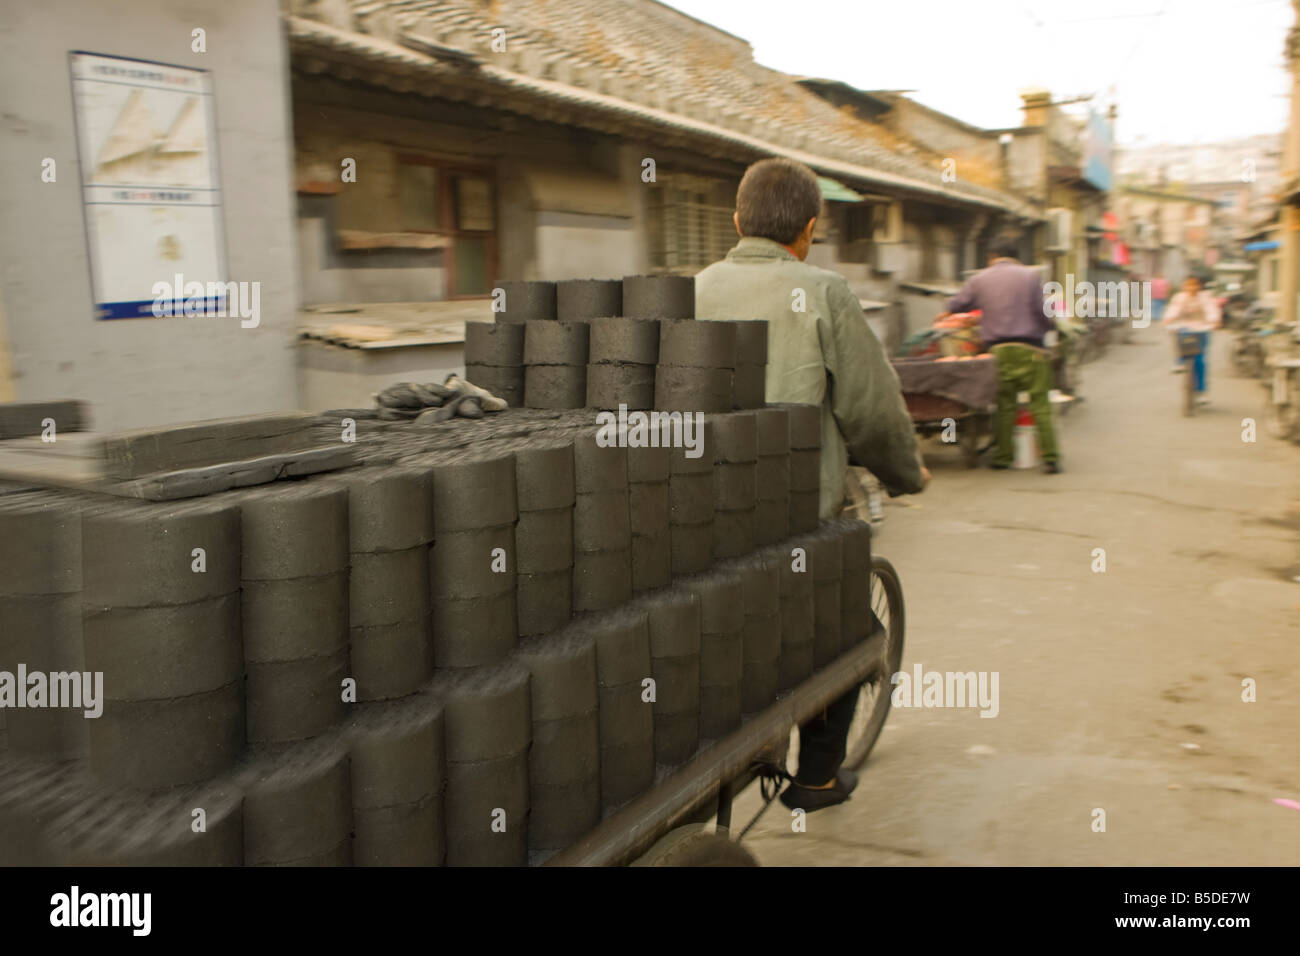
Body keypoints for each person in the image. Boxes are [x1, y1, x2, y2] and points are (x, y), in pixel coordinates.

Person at [695, 157, 927, 813]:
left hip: (697, 513)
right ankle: (818, 777)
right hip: (799, 515)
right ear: (809, 229)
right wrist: (905, 472)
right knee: (843, 635)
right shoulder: (824, 293)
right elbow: (871, 410)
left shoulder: (693, 290)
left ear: (738, 222)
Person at [936, 236, 1061, 473]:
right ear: (1016, 256)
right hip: (1032, 350)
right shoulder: (1031, 277)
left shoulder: (979, 278)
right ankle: (1051, 458)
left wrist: (944, 314)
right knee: (1040, 405)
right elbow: (1043, 313)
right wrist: (1051, 331)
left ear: (992, 256)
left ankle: (1002, 458)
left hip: (999, 351)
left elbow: (957, 304)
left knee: (1005, 406)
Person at [1161, 274, 1221, 404]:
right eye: (1189, 284)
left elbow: (1211, 310)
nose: (1191, 287)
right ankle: (1179, 362)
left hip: (1202, 328)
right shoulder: (1180, 297)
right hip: (1184, 327)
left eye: (1194, 284)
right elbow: (1174, 309)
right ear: (1184, 286)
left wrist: (1214, 321)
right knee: (1176, 336)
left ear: (1199, 286)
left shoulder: (1206, 297)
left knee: (1200, 360)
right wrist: (1168, 319)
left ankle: (1201, 392)